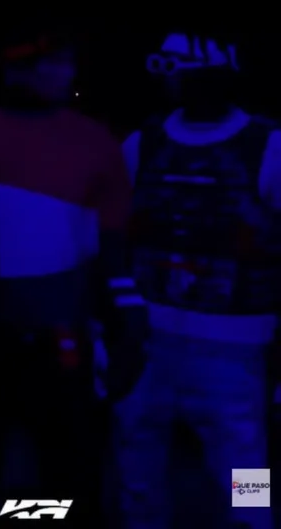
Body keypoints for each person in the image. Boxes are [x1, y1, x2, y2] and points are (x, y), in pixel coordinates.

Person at [0, 34, 144, 521]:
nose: (68, 73)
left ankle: (254, 512)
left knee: (244, 458)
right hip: (0, 340)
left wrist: (130, 325)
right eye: (54, 62)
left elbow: (115, 250)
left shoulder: (266, 143)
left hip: (234, 348)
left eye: (69, 62)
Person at [114, 33, 279, 529]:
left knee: (246, 471)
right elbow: (116, 233)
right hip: (148, 341)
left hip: (236, 348)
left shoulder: (269, 145)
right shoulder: (142, 143)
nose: (177, 80)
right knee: (136, 463)